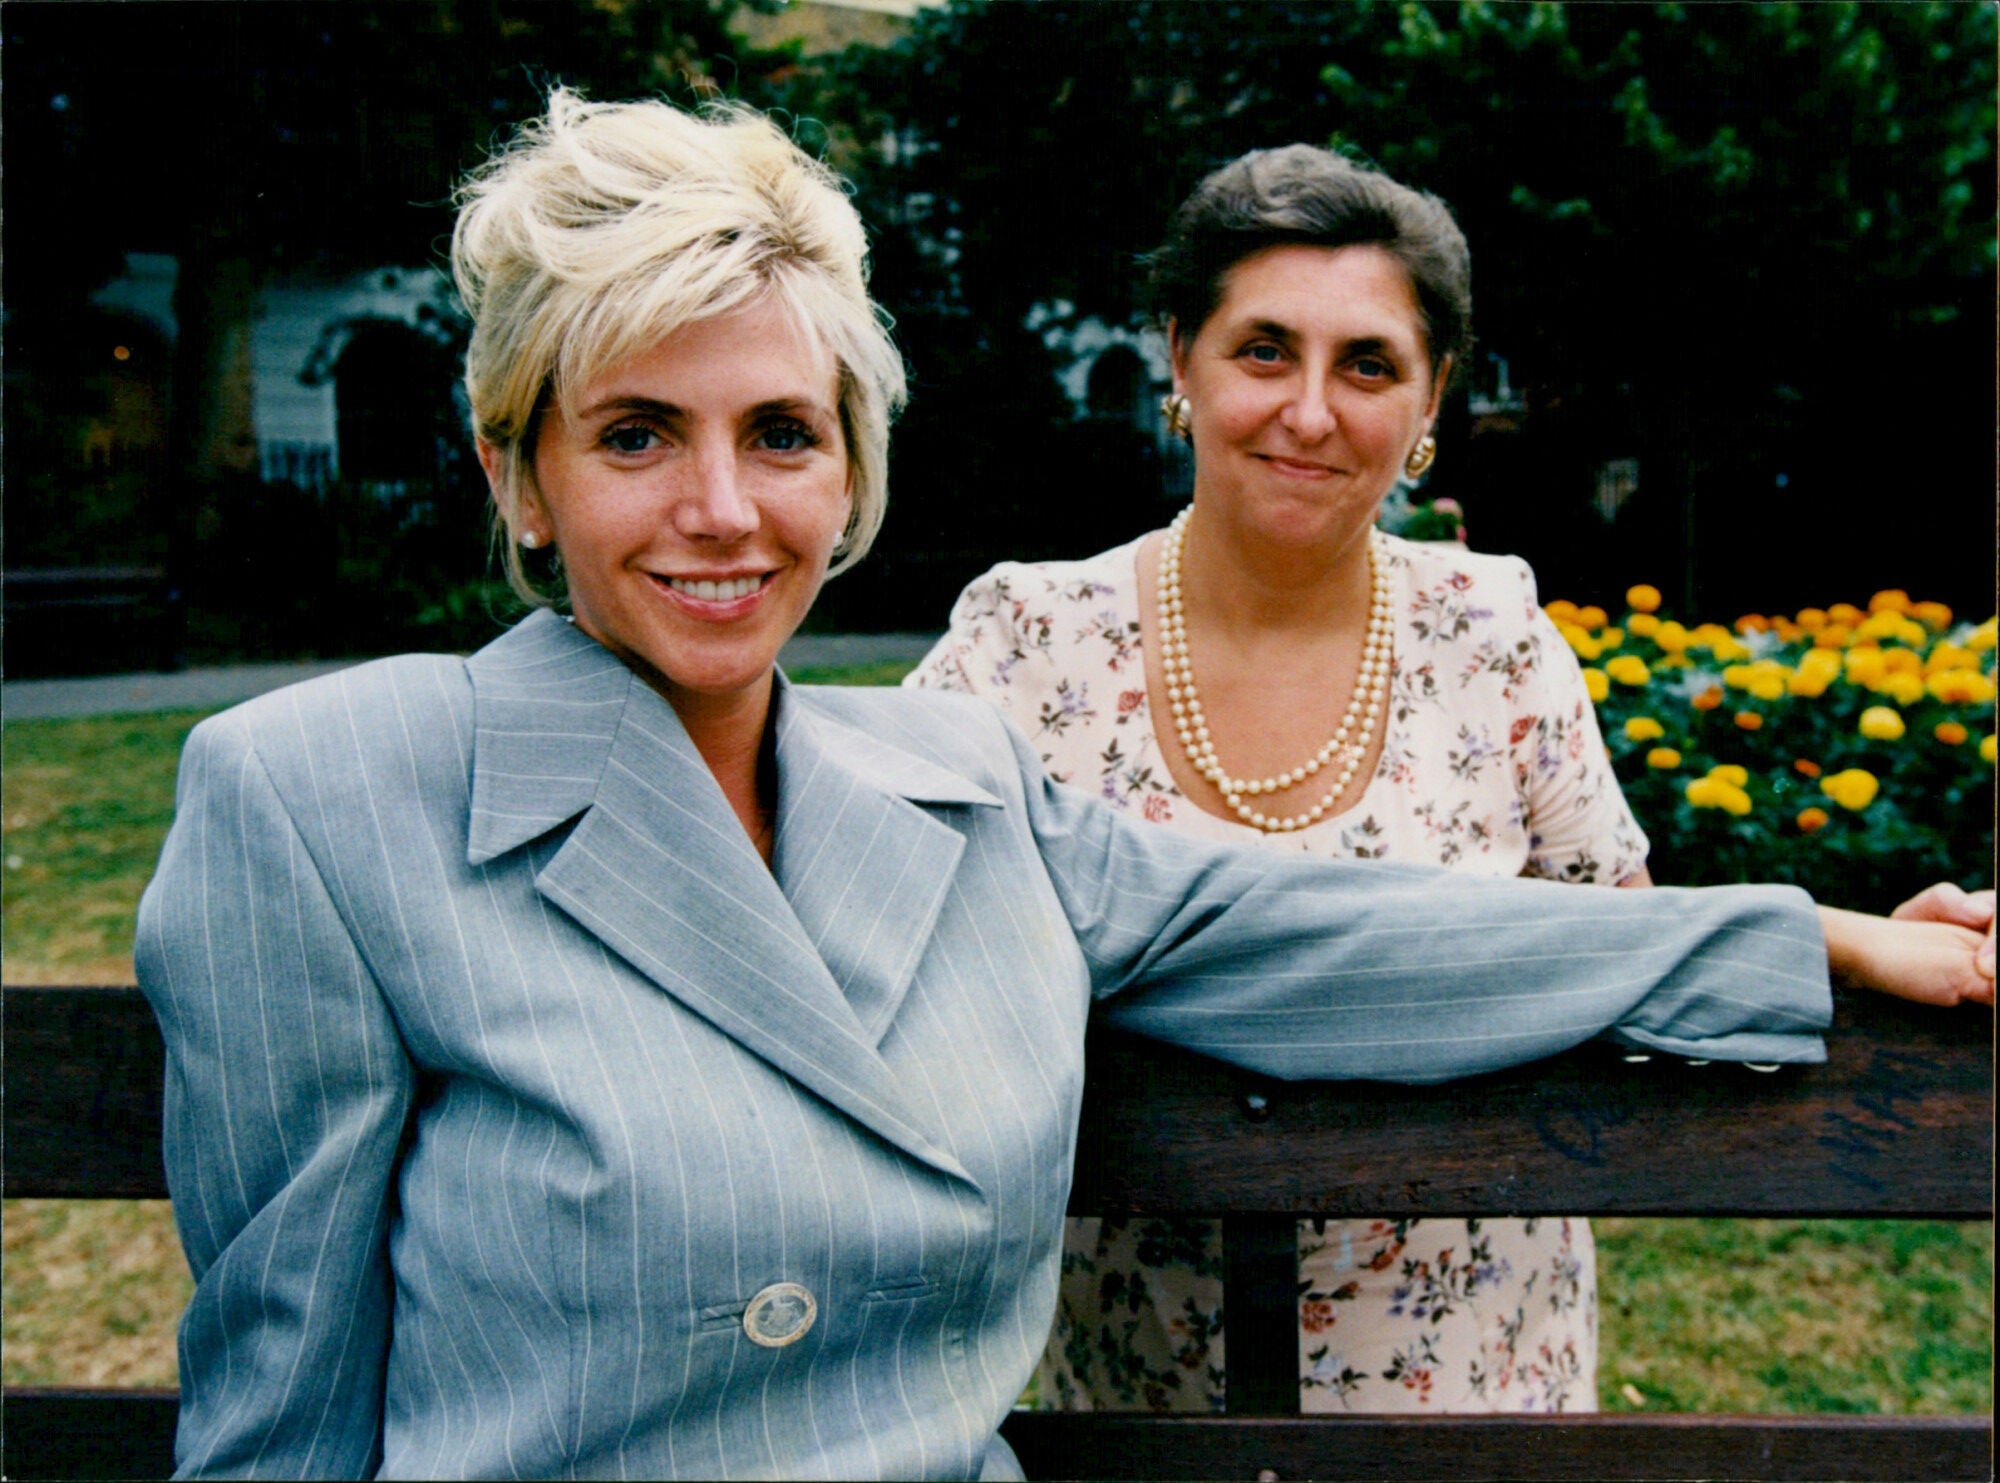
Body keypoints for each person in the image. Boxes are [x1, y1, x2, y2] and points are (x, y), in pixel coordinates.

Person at [135, 95, 1992, 1481]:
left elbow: (1354, 929)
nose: (722, 508)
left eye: (782, 432)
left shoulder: (954, 785)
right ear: (521, 472)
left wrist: (1820, 939)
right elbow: (280, 1416)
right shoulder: (317, 797)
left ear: (850, 467)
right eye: (636, 433)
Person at [908, 143, 1997, 1416]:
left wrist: (1843, 952)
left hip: (1479, 1377)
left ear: (1428, 407)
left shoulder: (1494, 636)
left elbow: (1611, 946)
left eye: (1367, 364)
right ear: (1178, 363)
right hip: (1146, 1389)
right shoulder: (1027, 644)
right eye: (1262, 348)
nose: (1308, 411)